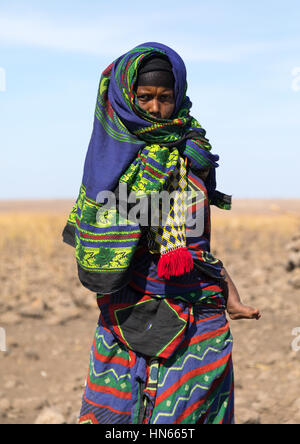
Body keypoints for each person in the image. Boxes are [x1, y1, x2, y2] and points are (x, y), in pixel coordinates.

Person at [63, 42, 260, 425]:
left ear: (179, 95)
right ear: (128, 97)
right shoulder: (112, 160)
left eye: (165, 98)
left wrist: (229, 292)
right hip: (129, 312)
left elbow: (197, 242)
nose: (155, 108)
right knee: (119, 414)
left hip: (197, 310)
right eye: (145, 97)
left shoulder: (194, 149)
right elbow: (104, 236)